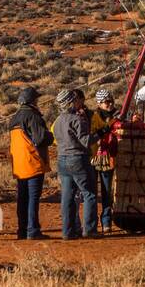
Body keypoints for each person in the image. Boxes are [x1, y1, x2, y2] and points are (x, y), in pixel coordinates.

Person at [9, 87, 53, 240]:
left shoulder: (13, 118)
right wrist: (51, 136)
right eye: (36, 99)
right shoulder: (33, 116)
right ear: (32, 101)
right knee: (33, 199)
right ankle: (33, 230)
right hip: (33, 163)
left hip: (19, 166)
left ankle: (22, 230)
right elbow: (41, 138)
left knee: (22, 199)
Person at [53, 88, 97, 239]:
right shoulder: (77, 119)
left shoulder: (57, 121)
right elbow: (86, 141)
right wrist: (101, 133)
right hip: (78, 159)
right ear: (71, 102)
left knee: (67, 197)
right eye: (76, 99)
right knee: (89, 194)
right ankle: (90, 230)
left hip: (62, 160)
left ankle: (68, 232)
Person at [89, 87, 117, 233]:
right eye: (106, 102)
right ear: (99, 103)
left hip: (109, 158)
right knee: (92, 192)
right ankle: (91, 222)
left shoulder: (117, 116)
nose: (110, 104)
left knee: (107, 191)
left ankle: (106, 221)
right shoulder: (93, 117)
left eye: (111, 101)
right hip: (95, 157)